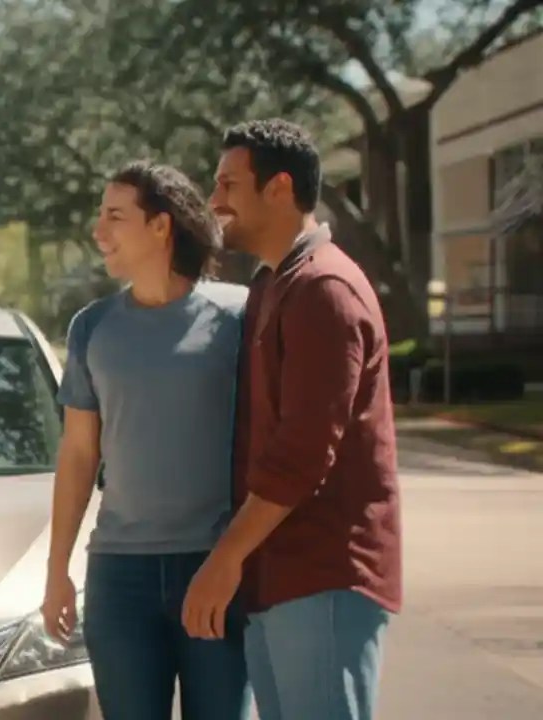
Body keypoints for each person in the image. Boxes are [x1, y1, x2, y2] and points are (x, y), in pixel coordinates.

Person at [182, 118, 402, 720]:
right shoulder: (274, 285)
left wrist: (224, 559)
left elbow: (302, 455)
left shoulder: (325, 289)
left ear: (279, 189)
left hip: (325, 576)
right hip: (277, 577)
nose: (215, 201)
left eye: (229, 184)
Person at [42, 160, 252, 720]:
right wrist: (57, 569)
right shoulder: (92, 327)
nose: (98, 231)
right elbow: (80, 454)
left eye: (115, 216)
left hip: (213, 569)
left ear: (161, 226)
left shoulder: (239, 317)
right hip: (119, 577)